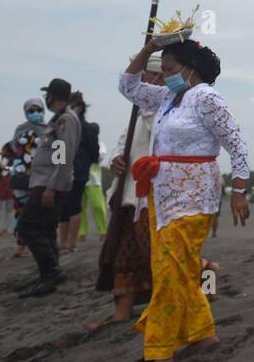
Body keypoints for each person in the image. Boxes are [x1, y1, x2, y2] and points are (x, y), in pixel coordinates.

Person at [120, 39, 250, 362]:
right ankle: (203, 334)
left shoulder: (206, 98)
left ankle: (162, 355)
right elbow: (127, 85)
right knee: (174, 269)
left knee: (167, 274)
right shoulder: (166, 99)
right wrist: (148, 49)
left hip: (195, 196)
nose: (164, 76)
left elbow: (237, 143)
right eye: (161, 70)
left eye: (170, 69)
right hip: (161, 199)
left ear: (190, 68)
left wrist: (239, 191)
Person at [90, 51, 164, 330]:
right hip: (127, 196)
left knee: (155, 254)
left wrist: (146, 106)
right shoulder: (138, 111)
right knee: (124, 255)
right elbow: (125, 141)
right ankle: (122, 311)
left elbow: (159, 139)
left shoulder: (166, 109)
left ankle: (206, 273)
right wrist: (117, 158)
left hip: (152, 198)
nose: (147, 81)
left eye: (152, 76)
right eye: (145, 76)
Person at [16, 79, 81, 297]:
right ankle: (51, 273)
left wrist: (52, 187)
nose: (46, 99)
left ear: (51, 96)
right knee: (44, 229)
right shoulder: (58, 119)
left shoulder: (65, 120)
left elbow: (63, 156)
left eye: (47, 95)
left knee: (27, 227)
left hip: (48, 184)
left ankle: (50, 271)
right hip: (45, 182)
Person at [2, 98, 47, 258]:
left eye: (38, 110)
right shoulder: (20, 129)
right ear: (26, 112)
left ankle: (36, 246)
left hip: (41, 176)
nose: (35, 113)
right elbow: (13, 147)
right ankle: (21, 244)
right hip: (20, 176)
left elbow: (57, 154)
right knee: (20, 211)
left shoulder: (50, 129)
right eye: (31, 110)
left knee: (38, 212)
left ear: (43, 110)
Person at [58, 92, 100, 253]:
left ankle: (66, 242)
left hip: (69, 170)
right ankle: (69, 243)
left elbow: (59, 147)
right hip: (79, 170)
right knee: (72, 206)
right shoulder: (86, 127)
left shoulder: (65, 123)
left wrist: (58, 165)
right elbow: (94, 151)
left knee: (67, 207)